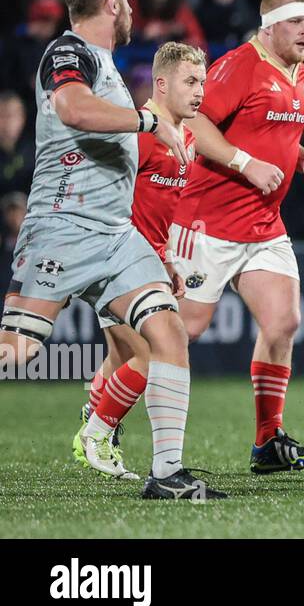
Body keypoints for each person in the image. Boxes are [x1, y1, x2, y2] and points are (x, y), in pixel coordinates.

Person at [2, 0, 218, 499]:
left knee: (167, 332)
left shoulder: (104, 61)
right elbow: (72, 108)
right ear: (113, 4)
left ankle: (167, 475)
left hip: (115, 235)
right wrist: (147, 121)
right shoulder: (68, 51)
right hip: (61, 226)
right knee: (17, 351)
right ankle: (102, 432)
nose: (133, 9)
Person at [168, 0, 304, 474]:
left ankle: (267, 440)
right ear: (270, 25)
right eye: (297, 21)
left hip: (263, 225)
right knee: (181, 331)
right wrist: (247, 163)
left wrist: (303, 159)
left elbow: (274, 133)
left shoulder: (302, 76)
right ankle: (103, 408)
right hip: (208, 222)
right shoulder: (240, 65)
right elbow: (193, 124)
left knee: (283, 322)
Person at [72, 43, 206, 479]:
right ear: (161, 84)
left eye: (202, 82)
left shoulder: (185, 136)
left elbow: (162, 208)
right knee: (153, 354)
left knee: (123, 357)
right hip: (117, 262)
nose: (199, 91)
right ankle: (96, 432)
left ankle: (91, 435)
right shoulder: (136, 134)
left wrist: (167, 258)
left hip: (147, 263)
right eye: (190, 82)